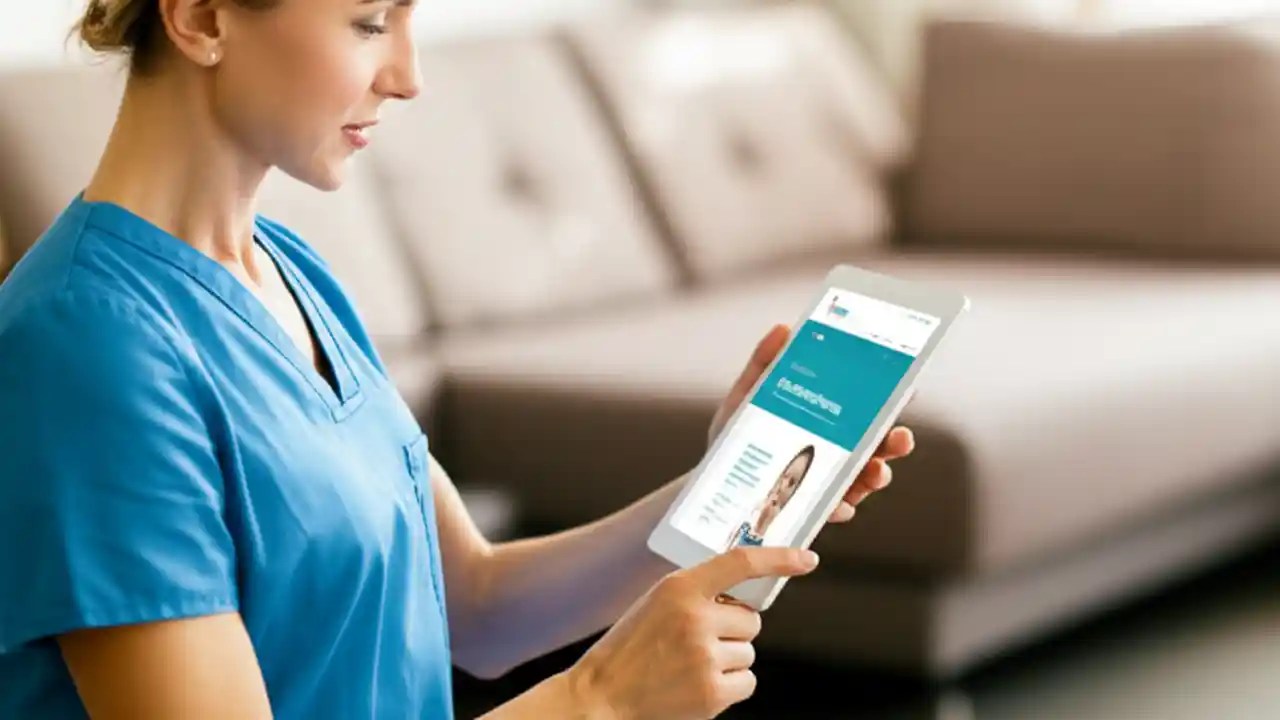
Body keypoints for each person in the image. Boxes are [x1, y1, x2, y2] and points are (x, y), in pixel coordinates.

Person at [0, 1, 916, 718]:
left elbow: (474, 604)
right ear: (200, 17)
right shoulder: (89, 349)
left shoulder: (287, 268)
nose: (409, 75)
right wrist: (600, 699)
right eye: (370, 21)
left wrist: (721, 490)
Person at [728, 445, 817, 549]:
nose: (783, 485)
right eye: (784, 476)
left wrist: (760, 529)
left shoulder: (787, 537)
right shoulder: (749, 512)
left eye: (792, 483)